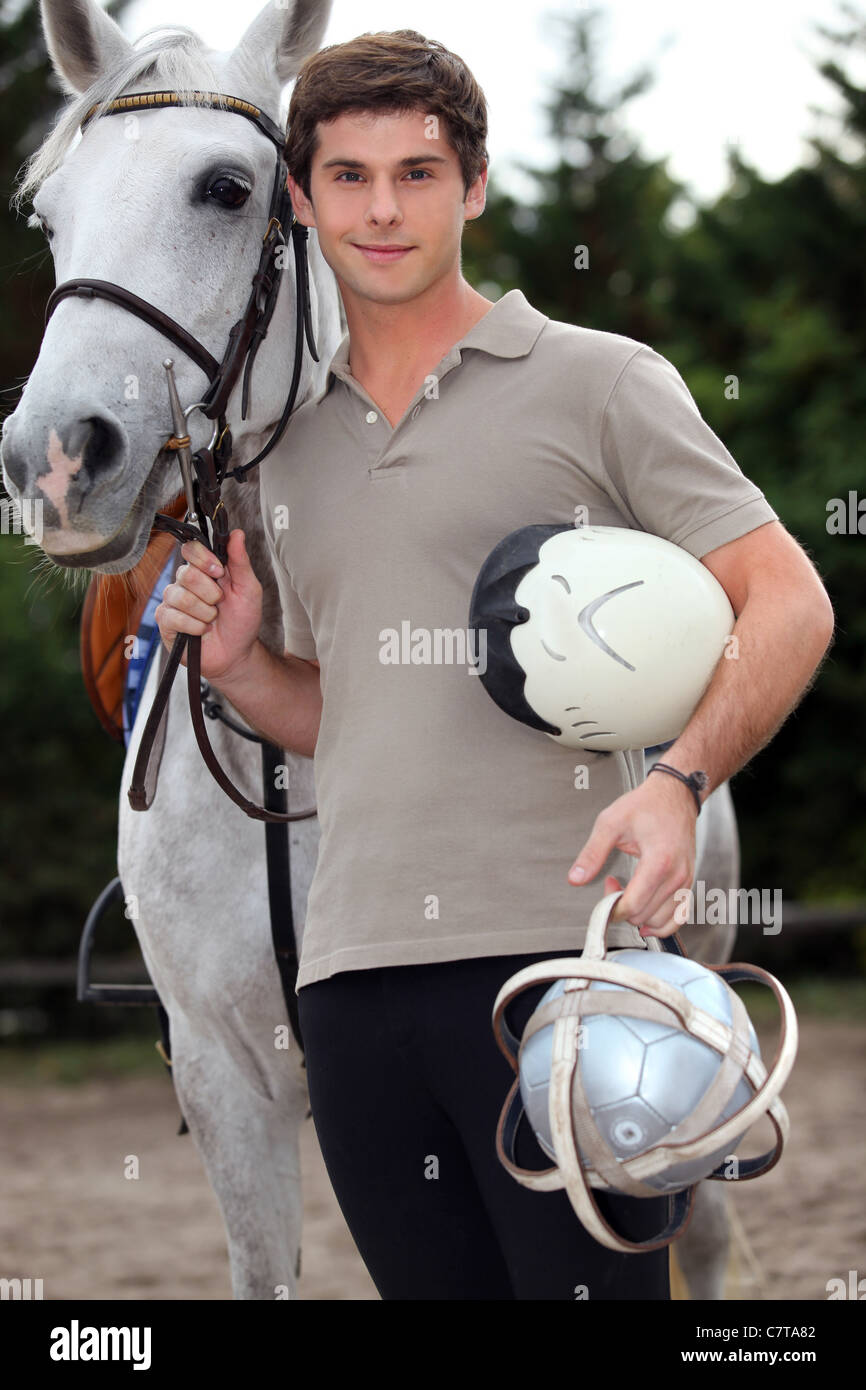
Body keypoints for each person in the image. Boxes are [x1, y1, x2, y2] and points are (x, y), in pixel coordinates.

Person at [155, 30, 834, 1300]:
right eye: (346, 176)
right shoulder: (281, 453)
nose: (382, 208)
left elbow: (788, 599)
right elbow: (347, 713)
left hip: (567, 976)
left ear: (473, 185)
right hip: (351, 996)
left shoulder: (599, 383)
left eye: (416, 172)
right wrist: (247, 672)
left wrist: (680, 781)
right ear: (297, 201)